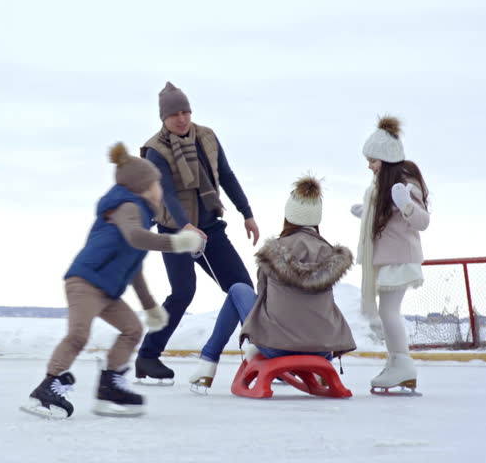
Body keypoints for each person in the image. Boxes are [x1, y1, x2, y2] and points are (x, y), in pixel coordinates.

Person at [20, 142, 204, 419]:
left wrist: (151, 306)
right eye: (157, 184)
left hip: (107, 290)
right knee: (78, 335)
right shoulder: (127, 206)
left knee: (132, 330)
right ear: (143, 186)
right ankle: (47, 387)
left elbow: (134, 268)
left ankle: (109, 387)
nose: (160, 190)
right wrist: (177, 243)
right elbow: (136, 238)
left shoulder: (139, 214)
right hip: (85, 281)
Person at [135, 82, 260, 384]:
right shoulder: (156, 150)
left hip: (211, 228)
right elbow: (166, 192)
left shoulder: (207, 137)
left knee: (241, 287)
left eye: (185, 111)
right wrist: (185, 225)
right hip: (175, 232)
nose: (181, 118)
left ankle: (263, 350)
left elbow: (227, 176)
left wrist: (247, 213)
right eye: (174, 114)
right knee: (183, 292)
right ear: (163, 118)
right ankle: (147, 358)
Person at [188, 176, 356, 393]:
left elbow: (262, 297)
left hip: (276, 348)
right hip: (322, 350)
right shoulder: (332, 255)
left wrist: (254, 339)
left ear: (289, 215)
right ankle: (318, 372)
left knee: (238, 289)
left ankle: (207, 363)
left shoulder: (274, 250)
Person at [352, 116, 430, 394]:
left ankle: (402, 363)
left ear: (386, 158)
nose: (369, 165)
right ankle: (396, 361)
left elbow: (422, 221)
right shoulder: (379, 188)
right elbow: (388, 218)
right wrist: (367, 214)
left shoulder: (405, 184)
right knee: (386, 312)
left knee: (388, 311)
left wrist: (406, 204)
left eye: (373, 159)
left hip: (400, 259)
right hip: (388, 259)